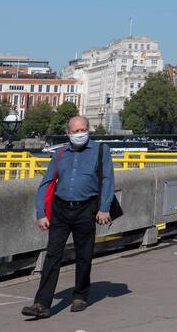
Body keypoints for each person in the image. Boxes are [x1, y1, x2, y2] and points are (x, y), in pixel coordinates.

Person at [21, 116, 115, 319]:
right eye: (75, 131)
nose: (79, 134)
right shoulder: (60, 153)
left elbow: (108, 180)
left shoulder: (100, 151)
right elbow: (46, 183)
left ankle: (80, 295)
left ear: (88, 130)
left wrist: (104, 208)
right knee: (53, 254)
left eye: (82, 130)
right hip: (60, 209)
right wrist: (41, 213)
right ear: (68, 133)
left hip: (86, 208)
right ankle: (42, 304)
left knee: (84, 254)